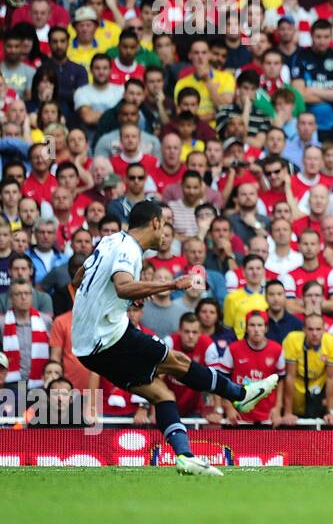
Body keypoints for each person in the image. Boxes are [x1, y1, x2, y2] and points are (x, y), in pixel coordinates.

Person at [70, 201, 278, 476]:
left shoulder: (109, 242)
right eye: (165, 225)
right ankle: (240, 395)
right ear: (155, 223)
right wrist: (170, 284)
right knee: (176, 361)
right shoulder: (128, 249)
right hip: (108, 338)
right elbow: (122, 287)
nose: (165, 234)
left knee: (161, 394)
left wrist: (125, 296)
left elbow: (78, 278)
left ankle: (185, 456)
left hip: (86, 346)